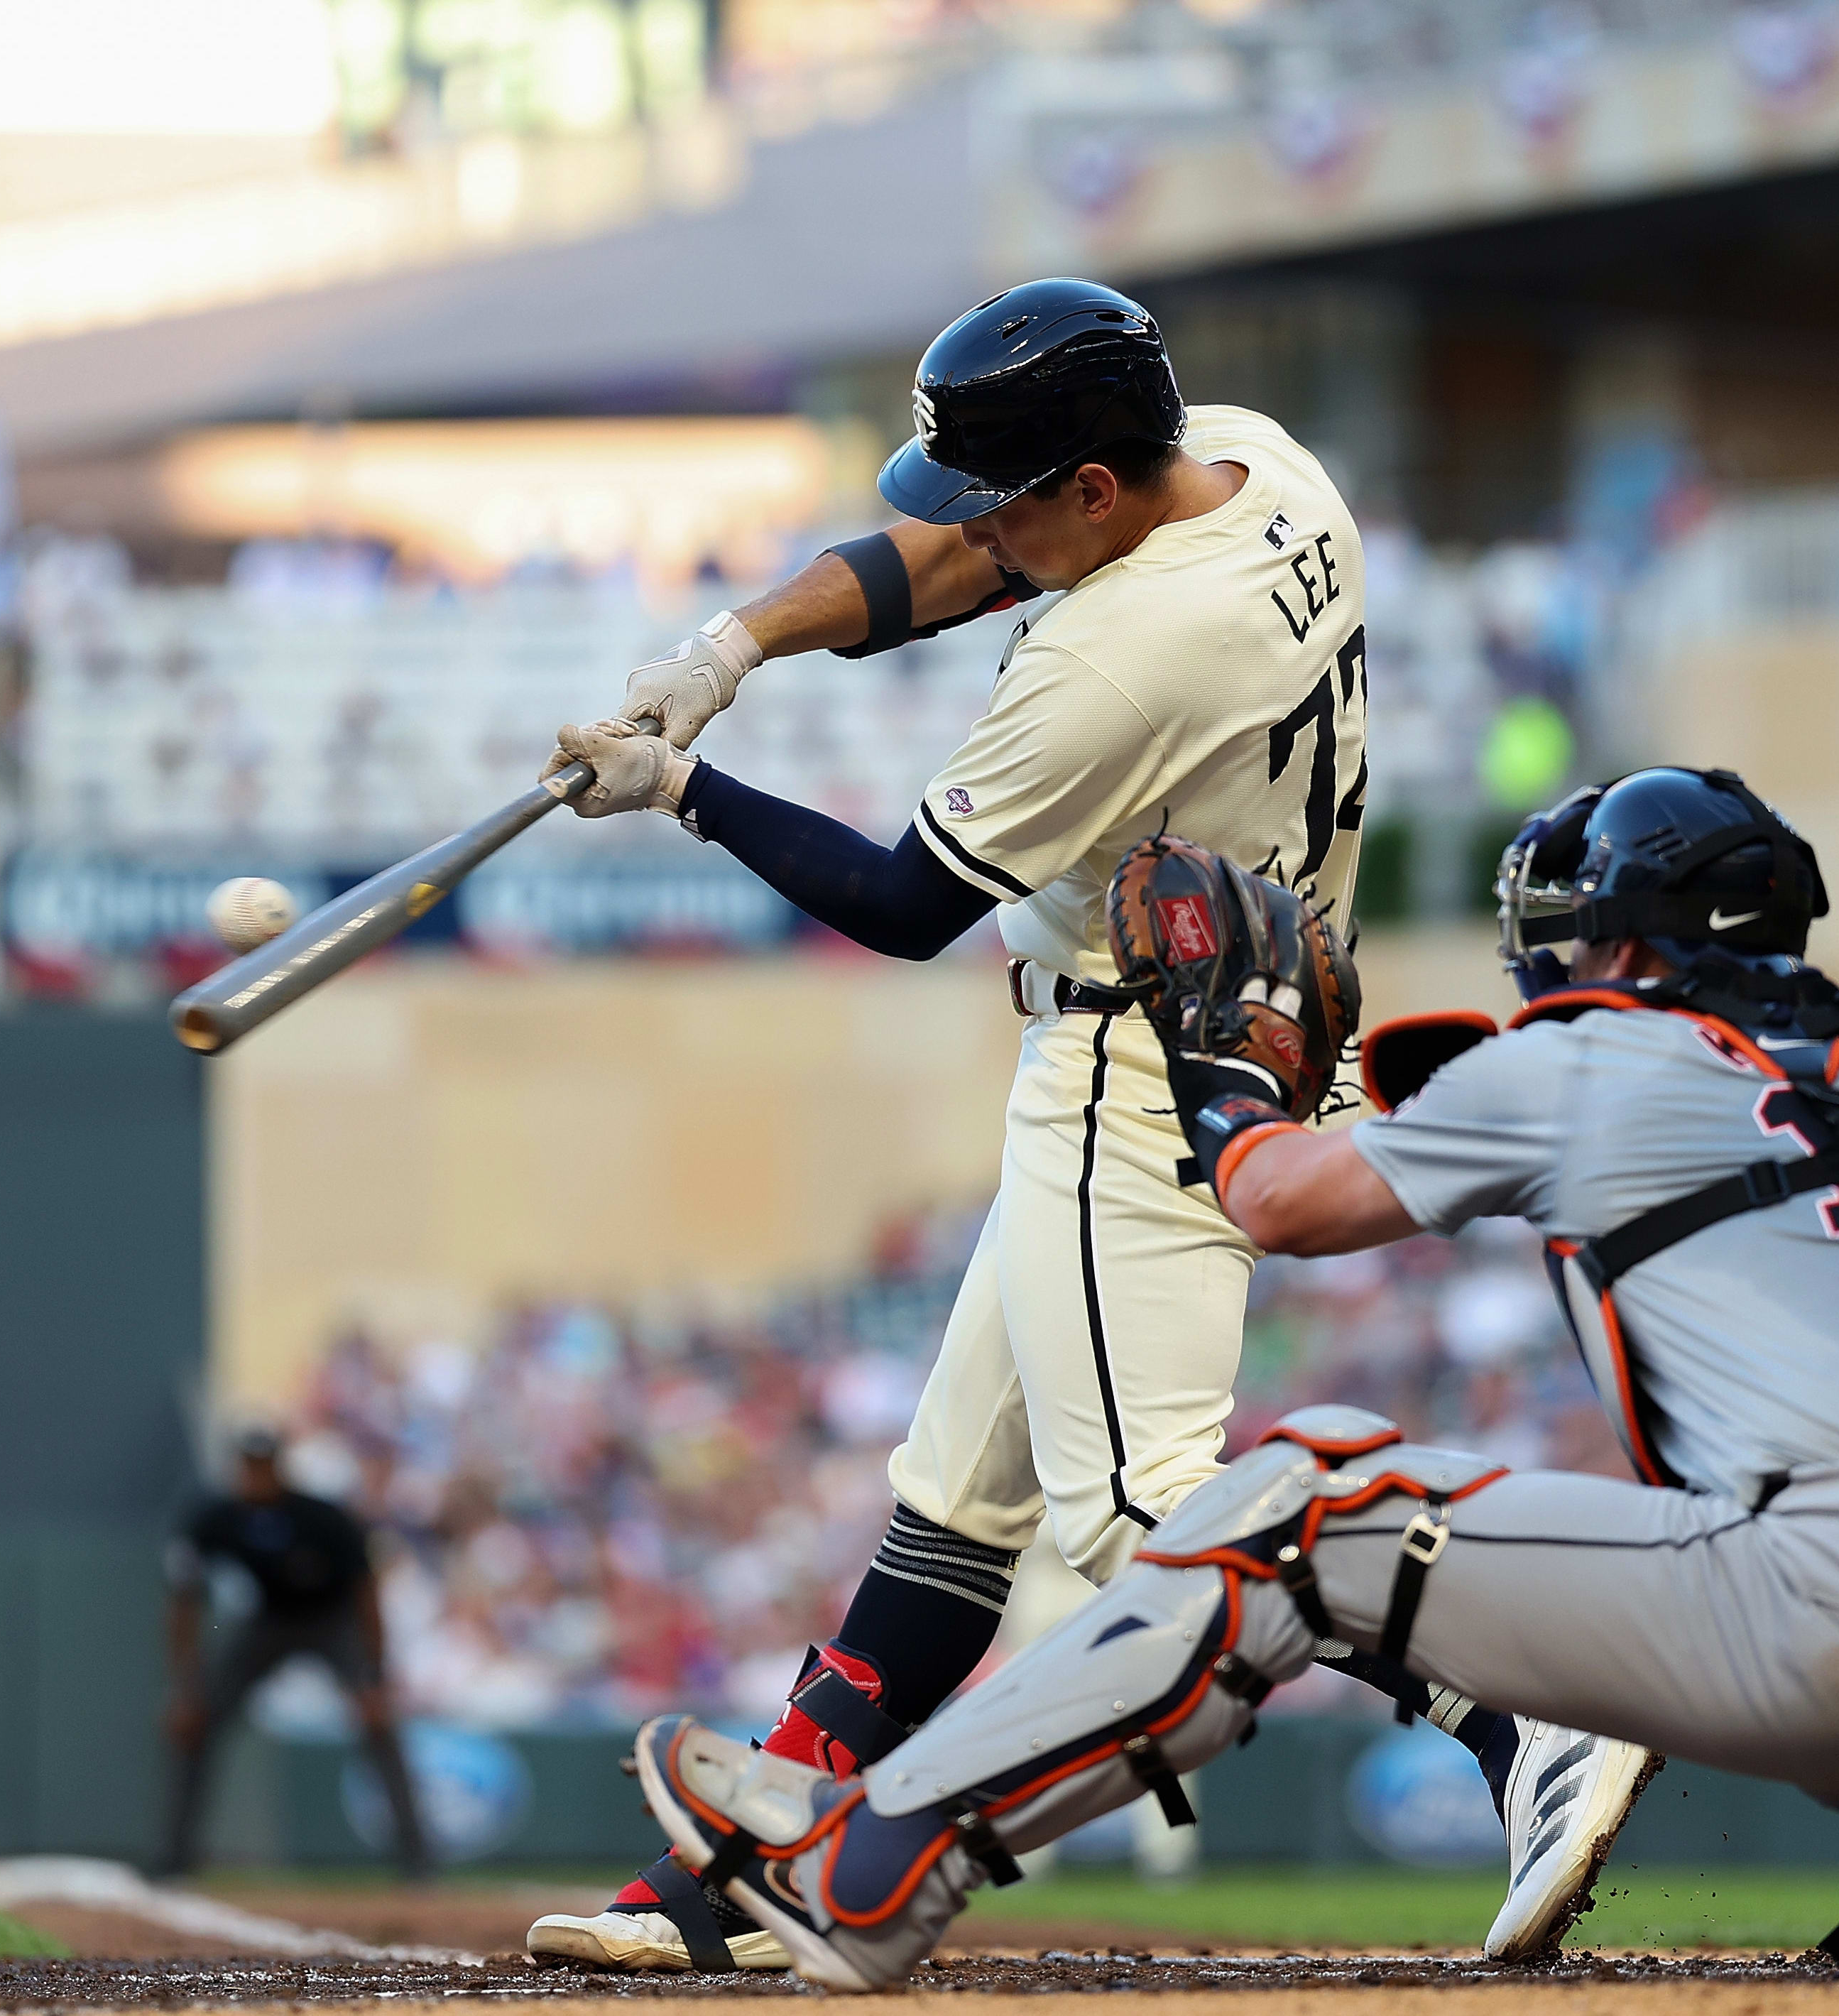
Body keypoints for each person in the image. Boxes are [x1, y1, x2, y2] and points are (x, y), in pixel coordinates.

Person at [610, 768, 1839, 1989]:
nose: (1539, 974)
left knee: (1311, 1494)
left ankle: (867, 1857)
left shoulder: (1591, 1051)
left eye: (1558, 942)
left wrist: (1211, 1065)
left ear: (1623, 948)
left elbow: (1281, 1198)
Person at [518, 278, 1644, 1973]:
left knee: (1140, 1513)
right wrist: (727, 649)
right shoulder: (1258, 463)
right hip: (1230, 1000)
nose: (982, 531)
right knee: (955, 1506)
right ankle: (749, 1874)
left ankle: (1524, 1708)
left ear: (1098, 490)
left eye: (1013, 496)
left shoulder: (1132, 651)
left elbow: (907, 903)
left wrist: (687, 792)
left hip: (1143, 1058)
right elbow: (969, 554)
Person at [160, 1427, 425, 1880]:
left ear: (280, 1468)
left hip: (332, 1622)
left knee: (379, 1727)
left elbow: (366, 1597)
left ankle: (417, 1862)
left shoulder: (324, 1518)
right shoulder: (217, 1519)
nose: (257, 1476)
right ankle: (176, 1859)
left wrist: (375, 1677)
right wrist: (187, 1687)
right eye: (249, 1466)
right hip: (270, 1622)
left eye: (264, 1467)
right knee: (197, 1722)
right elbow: (185, 1601)